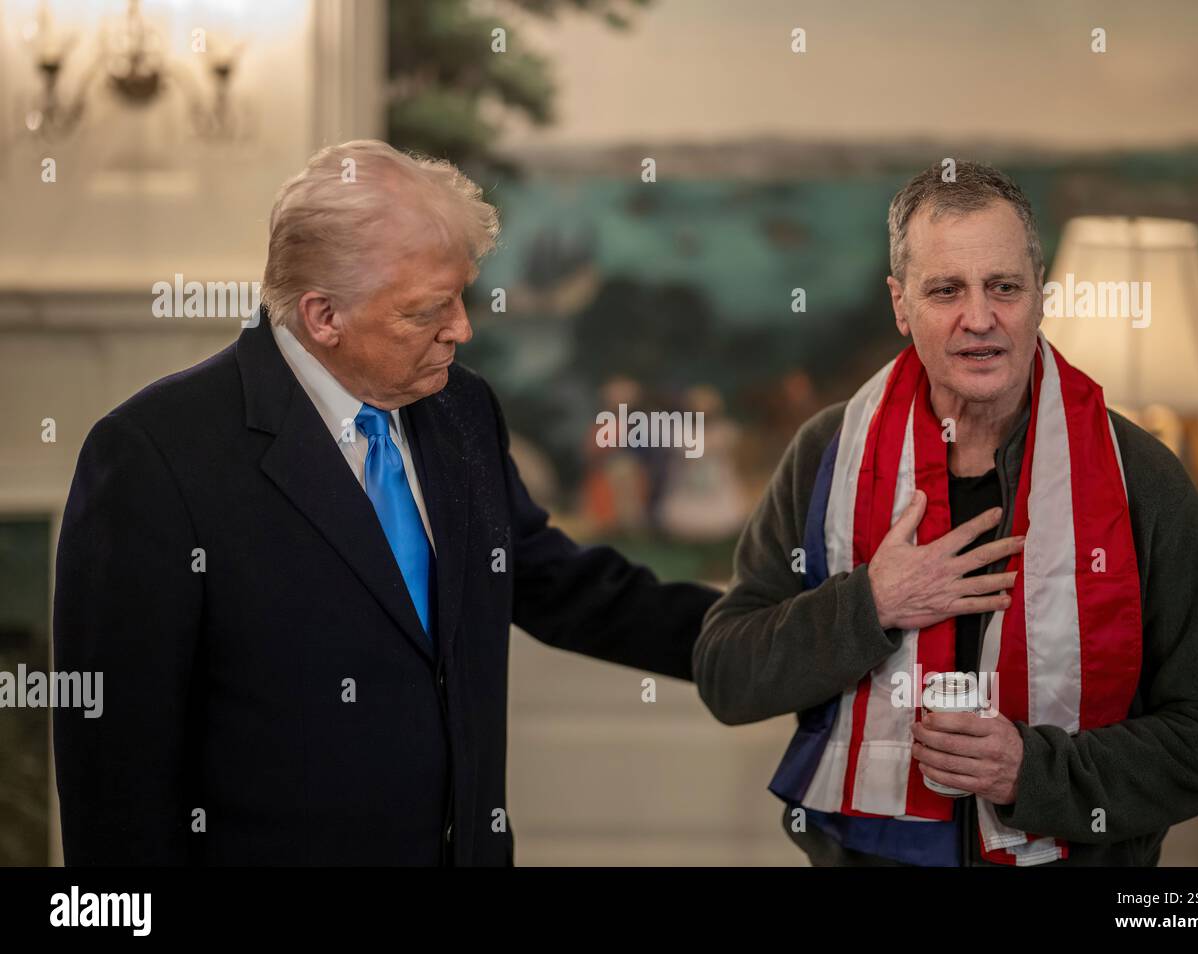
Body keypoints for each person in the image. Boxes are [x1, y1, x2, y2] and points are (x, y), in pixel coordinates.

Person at [53, 140, 720, 866]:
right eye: (427, 310)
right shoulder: (155, 453)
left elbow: (564, 588)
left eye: (461, 295)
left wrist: (789, 637)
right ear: (322, 315)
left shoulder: (461, 410)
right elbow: (114, 773)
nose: (461, 328)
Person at [693, 160, 1198, 866]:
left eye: (1004, 287)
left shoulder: (1140, 475)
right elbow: (726, 677)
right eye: (945, 291)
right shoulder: (827, 454)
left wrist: (1032, 770)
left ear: (1040, 295)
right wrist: (871, 602)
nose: (980, 319)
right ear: (901, 305)